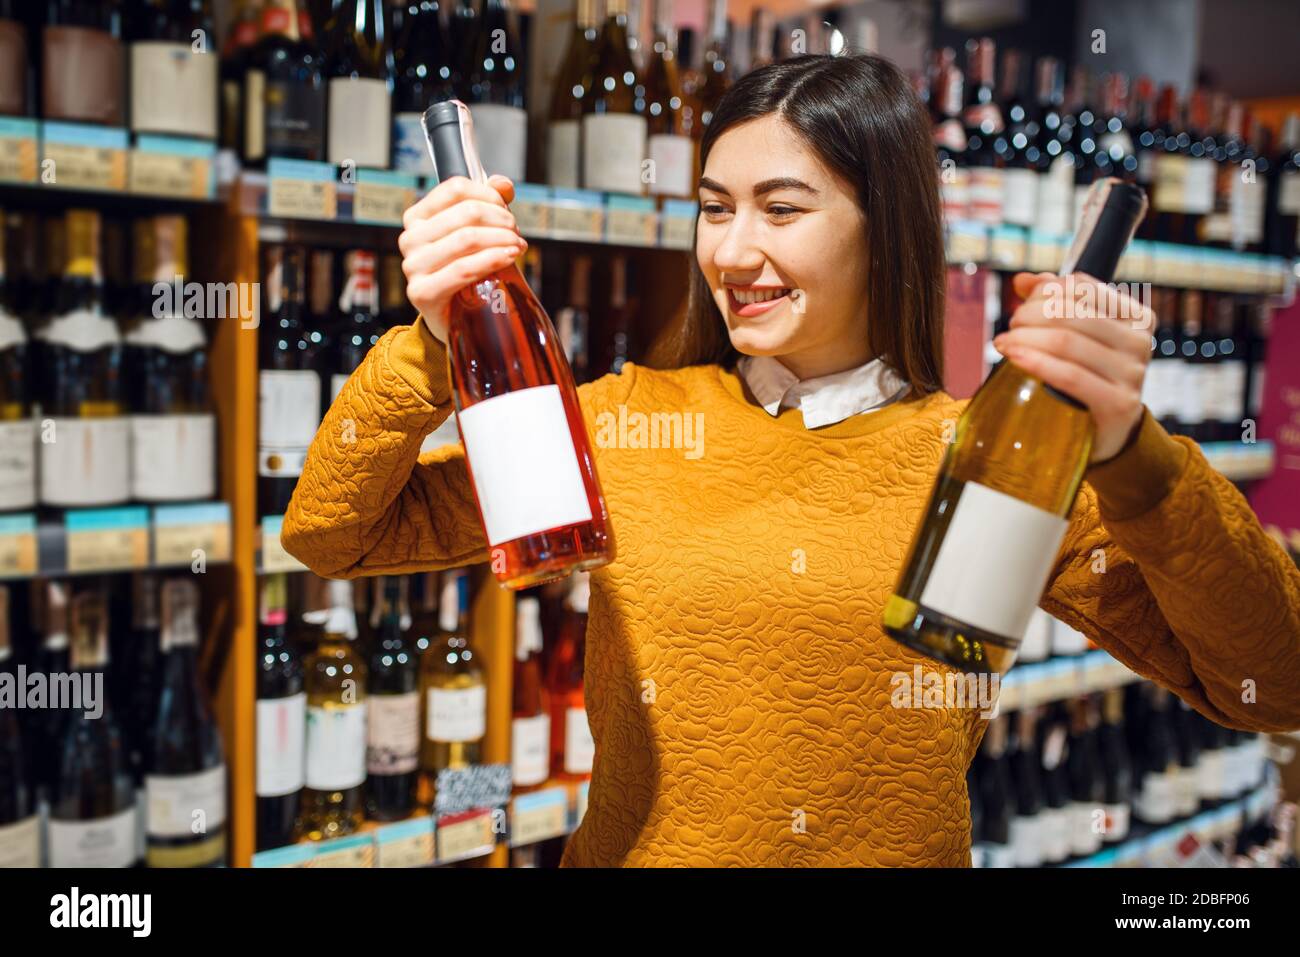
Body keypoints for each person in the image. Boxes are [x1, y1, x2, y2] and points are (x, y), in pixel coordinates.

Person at [282, 54, 1300, 866]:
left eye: (780, 208)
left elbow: (1273, 683)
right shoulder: (630, 420)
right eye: (714, 207)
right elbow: (337, 533)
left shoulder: (989, 460)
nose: (729, 252)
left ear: (882, 225)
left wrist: (1133, 457)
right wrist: (432, 336)